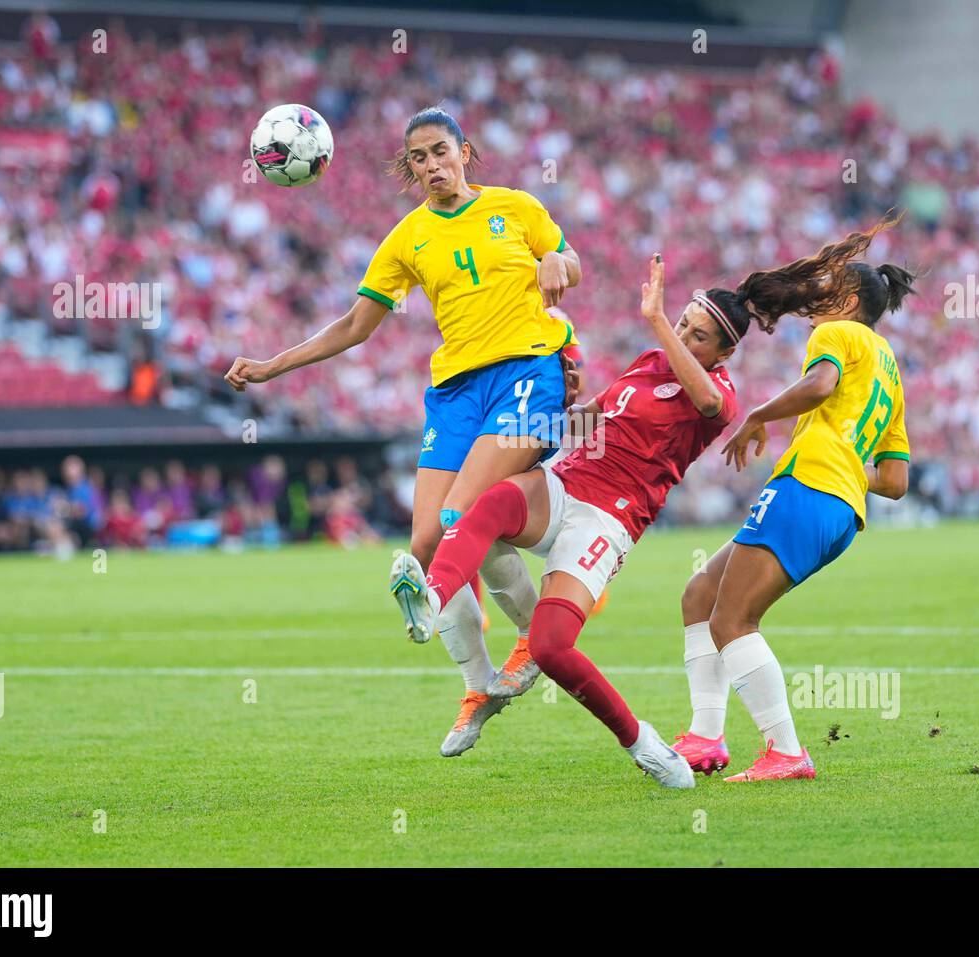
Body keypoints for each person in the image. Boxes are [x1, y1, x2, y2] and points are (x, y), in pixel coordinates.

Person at [391, 229, 880, 781]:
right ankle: (431, 600)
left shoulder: (719, 398)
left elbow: (708, 400)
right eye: (681, 326)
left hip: (608, 519)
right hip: (568, 486)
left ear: (724, 353)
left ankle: (640, 741)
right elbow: (590, 423)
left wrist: (655, 318)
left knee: (555, 649)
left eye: (697, 336)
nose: (682, 336)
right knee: (491, 504)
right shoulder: (650, 361)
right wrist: (559, 405)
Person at [225, 106, 582, 742]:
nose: (432, 166)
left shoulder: (517, 207)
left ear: (464, 152)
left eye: (441, 152)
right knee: (424, 544)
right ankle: (480, 685)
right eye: (418, 158)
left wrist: (560, 262)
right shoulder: (407, 238)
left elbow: (567, 261)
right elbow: (356, 326)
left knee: (461, 519)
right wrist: (274, 365)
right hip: (454, 391)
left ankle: (534, 638)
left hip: (528, 373)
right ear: (409, 166)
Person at [674, 228, 917, 783]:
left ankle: (785, 751)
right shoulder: (890, 368)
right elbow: (897, 480)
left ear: (850, 303)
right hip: (841, 510)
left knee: (733, 620)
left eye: (830, 287)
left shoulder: (838, 333)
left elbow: (818, 386)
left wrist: (758, 415)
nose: (817, 296)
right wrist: (852, 468)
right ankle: (705, 736)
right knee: (700, 596)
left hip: (806, 489)